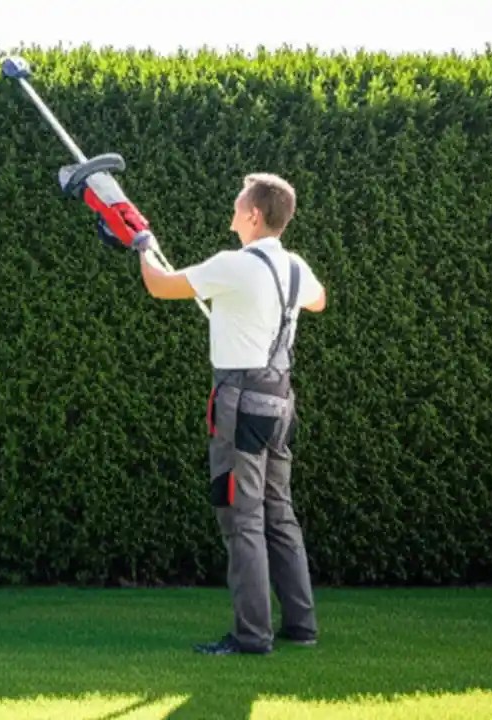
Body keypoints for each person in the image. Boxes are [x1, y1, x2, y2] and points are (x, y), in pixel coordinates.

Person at [136, 173, 327, 655]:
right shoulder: (296, 268)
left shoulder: (235, 265)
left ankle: (252, 636)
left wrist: (140, 243)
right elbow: (319, 301)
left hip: (240, 401)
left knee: (243, 518)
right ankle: (301, 627)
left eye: (237, 205)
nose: (231, 213)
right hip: (279, 401)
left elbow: (160, 286)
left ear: (254, 216)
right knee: (279, 513)